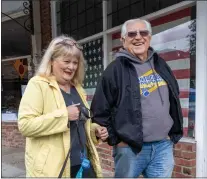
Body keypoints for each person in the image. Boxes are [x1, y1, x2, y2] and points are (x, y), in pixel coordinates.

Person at [91, 19, 183, 178]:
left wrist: (171, 135)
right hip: (130, 149)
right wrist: (117, 140)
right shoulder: (114, 70)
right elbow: (100, 110)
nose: (138, 37)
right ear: (123, 40)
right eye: (132, 34)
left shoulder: (160, 64)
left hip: (163, 145)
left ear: (150, 37)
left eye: (143, 33)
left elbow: (174, 96)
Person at [18, 35, 108, 178]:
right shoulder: (38, 84)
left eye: (75, 62)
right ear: (52, 61)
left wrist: (94, 130)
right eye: (66, 61)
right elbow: (25, 125)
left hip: (82, 163)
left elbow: (79, 124)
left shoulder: (77, 88)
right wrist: (64, 115)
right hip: (53, 169)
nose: (71, 67)